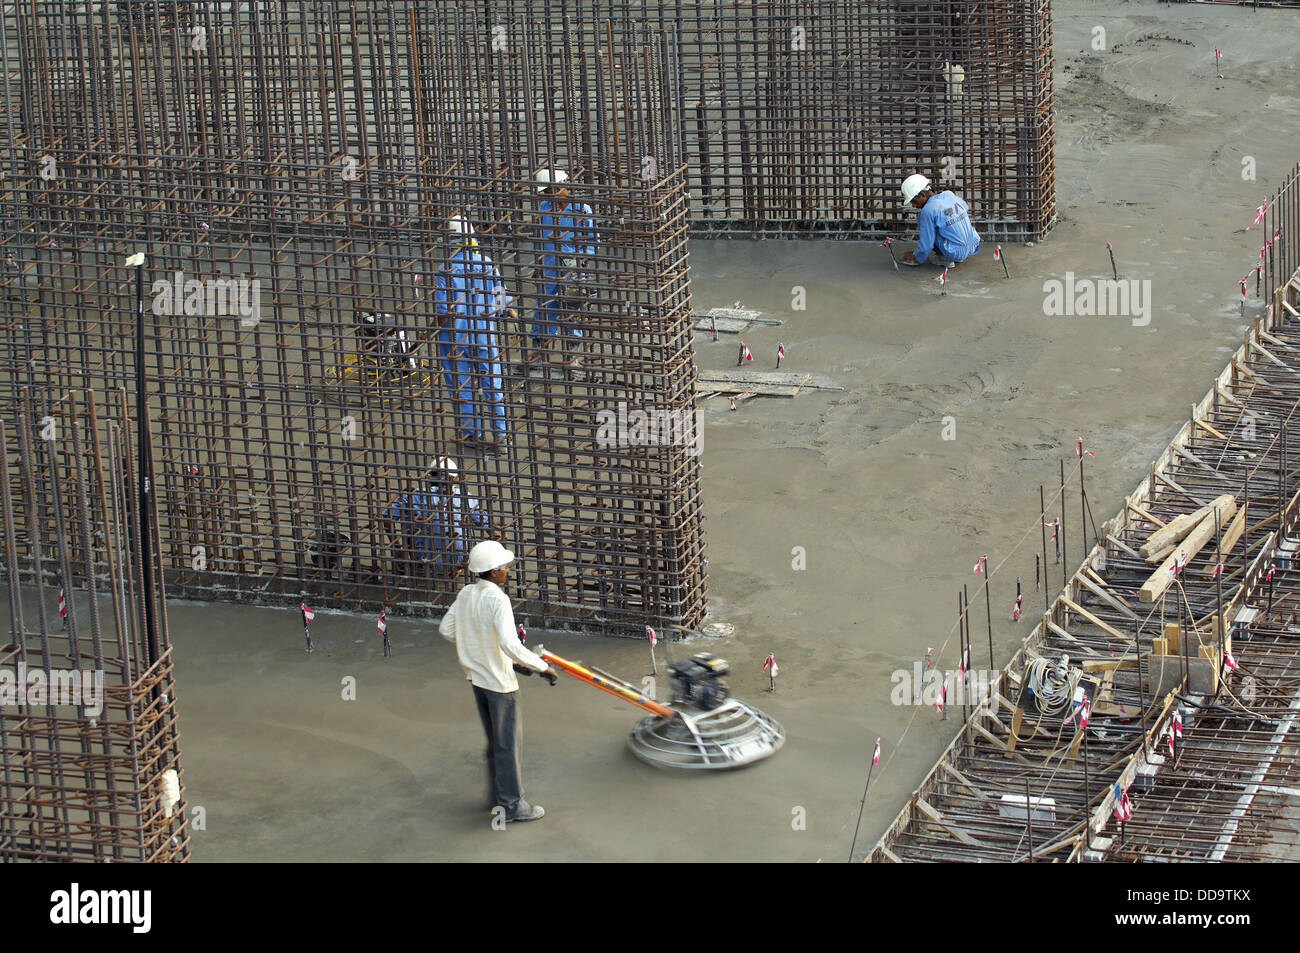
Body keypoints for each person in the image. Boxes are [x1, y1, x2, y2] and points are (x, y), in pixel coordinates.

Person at [439, 539, 558, 823]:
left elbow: (446, 628)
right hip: (501, 686)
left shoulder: (466, 593)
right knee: (507, 745)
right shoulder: (498, 599)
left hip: (478, 681)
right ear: (493, 572)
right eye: (504, 566)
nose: (508, 568)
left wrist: (475, 645)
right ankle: (513, 805)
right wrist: (542, 667)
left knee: (495, 743)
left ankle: (498, 796)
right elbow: (510, 644)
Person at [434, 213, 515, 450]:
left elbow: (443, 310)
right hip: (483, 336)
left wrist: (428, 330)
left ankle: (471, 434)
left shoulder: (446, 269)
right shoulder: (488, 264)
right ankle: (501, 438)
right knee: (493, 385)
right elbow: (502, 302)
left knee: (462, 386)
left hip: (454, 337)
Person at [531, 168, 596, 365]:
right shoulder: (544, 208)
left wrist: (578, 265)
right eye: (545, 192)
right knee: (543, 314)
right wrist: (538, 266)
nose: (546, 196)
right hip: (549, 271)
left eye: (549, 191)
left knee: (571, 317)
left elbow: (591, 244)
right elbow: (540, 240)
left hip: (573, 273)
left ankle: (572, 361)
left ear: (561, 187)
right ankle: (537, 360)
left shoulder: (582, 210)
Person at [385, 456, 488, 575]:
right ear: (454, 478)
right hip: (460, 561)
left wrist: (397, 549)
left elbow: (387, 517)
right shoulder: (464, 495)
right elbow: (483, 522)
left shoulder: (414, 495)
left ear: (429, 476)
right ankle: (454, 569)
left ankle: (415, 562)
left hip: (424, 559)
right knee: (464, 526)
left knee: (412, 524)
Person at [899, 174, 981, 268]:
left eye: (914, 201)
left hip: (955, 252)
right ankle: (958, 253)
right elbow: (965, 208)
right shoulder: (948, 194)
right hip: (973, 246)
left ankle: (945, 259)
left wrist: (916, 257)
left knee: (927, 226)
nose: (913, 206)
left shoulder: (928, 210)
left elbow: (927, 244)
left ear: (922, 195)